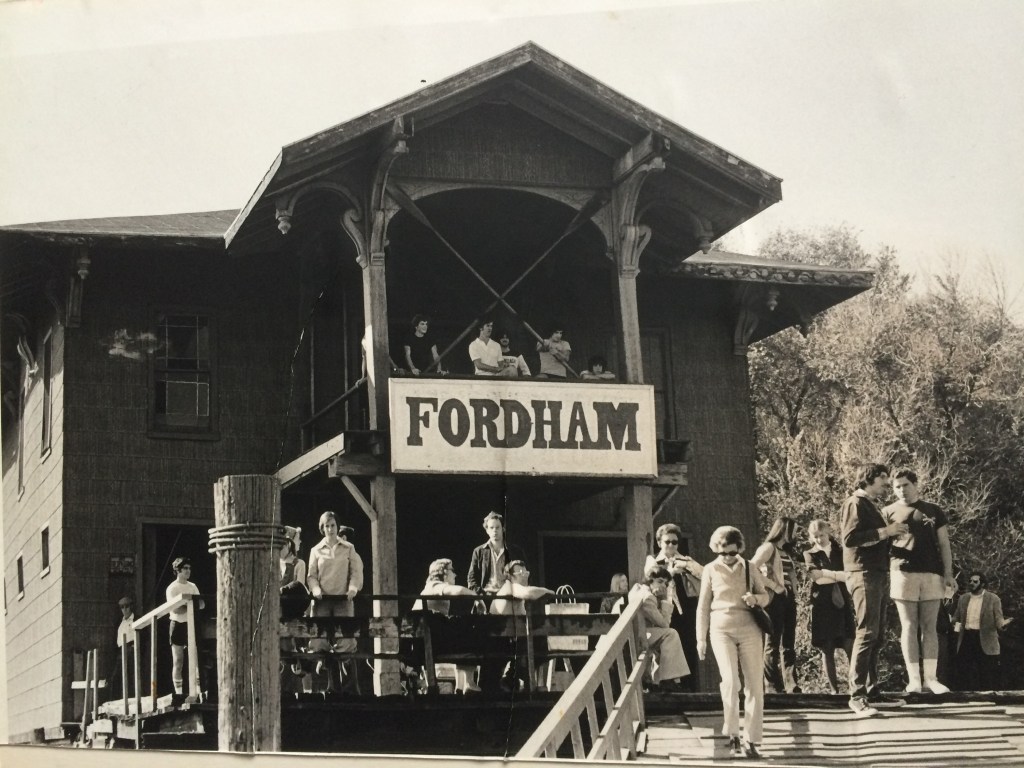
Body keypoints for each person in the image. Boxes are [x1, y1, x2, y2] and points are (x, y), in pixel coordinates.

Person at [696, 525, 771, 759]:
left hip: (749, 629)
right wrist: (700, 638)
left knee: (755, 685)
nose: (727, 557)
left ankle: (752, 739)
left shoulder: (749, 567)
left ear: (739, 548)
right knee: (730, 681)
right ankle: (733, 733)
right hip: (721, 630)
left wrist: (755, 598)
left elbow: (766, 596)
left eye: (731, 552)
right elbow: (703, 606)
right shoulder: (710, 569)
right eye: (722, 553)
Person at [841, 463, 908, 716]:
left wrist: (890, 535)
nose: (887, 484)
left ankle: (871, 691)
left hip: (876, 573)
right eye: (883, 478)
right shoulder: (855, 503)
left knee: (877, 635)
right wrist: (886, 531)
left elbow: (870, 537)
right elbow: (850, 539)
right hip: (863, 573)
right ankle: (857, 695)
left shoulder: (869, 504)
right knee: (867, 632)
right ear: (868, 479)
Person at [883, 469, 956, 694]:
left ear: (915, 484)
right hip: (902, 572)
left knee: (930, 627)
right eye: (897, 486)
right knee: (908, 626)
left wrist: (948, 573)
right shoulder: (887, 511)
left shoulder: (933, 510)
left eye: (905, 485)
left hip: (932, 573)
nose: (901, 490)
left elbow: (944, 544)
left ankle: (931, 679)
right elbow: (880, 545)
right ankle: (914, 680)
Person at [307, 511, 364, 690]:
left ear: (337, 527)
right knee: (319, 641)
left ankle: (347, 682)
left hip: (342, 599)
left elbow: (355, 572)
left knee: (346, 640)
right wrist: (315, 589)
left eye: (333, 525)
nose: (330, 529)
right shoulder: (315, 550)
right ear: (322, 528)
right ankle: (327, 676)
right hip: (322, 601)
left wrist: (353, 588)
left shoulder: (348, 548)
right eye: (327, 526)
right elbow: (311, 576)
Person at [645, 523, 703, 690]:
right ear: (659, 543)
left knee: (689, 644)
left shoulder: (684, 560)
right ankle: (665, 684)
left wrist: (685, 566)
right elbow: (651, 580)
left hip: (685, 607)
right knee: (666, 646)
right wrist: (671, 573)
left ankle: (690, 688)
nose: (671, 545)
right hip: (664, 608)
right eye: (667, 542)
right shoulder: (653, 561)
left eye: (675, 542)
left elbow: (705, 574)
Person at [412, 558, 481, 694]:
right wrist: (476, 597)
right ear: (443, 573)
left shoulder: (428, 588)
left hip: (425, 642)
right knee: (471, 630)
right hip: (429, 643)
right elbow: (458, 590)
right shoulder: (435, 585)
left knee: (461, 627)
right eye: (452, 570)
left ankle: (461, 686)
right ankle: (469, 682)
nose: (455, 574)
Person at [751, 516, 802, 694]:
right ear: (784, 529)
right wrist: (773, 586)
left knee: (789, 641)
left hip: (788, 598)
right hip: (774, 598)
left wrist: (794, 590)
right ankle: (772, 684)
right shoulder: (768, 548)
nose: (795, 534)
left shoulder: (786, 551)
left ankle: (791, 683)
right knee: (773, 641)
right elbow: (752, 567)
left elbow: (790, 573)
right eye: (794, 530)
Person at [803, 519, 854, 694]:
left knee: (849, 644)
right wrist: (837, 575)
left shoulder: (841, 551)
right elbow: (816, 579)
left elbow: (849, 575)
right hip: (822, 604)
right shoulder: (810, 554)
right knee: (827, 647)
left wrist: (825, 573)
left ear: (828, 533)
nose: (819, 539)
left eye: (822, 535)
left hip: (842, 602)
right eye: (815, 536)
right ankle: (834, 691)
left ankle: (856, 688)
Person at [489, 560, 554, 691]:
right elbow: (529, 593)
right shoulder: (511, 587)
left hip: (507, 639)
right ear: (510, 576)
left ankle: (515, 677)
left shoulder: (515, 592)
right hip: (500, 643)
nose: (525, 576)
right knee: (540, 640)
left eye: (526, 572)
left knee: (538, 639)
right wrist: (548, 591)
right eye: (520, 572)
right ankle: (523, 680)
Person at [628, 565, 691, 690]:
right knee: (670, 634)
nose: (663, 586)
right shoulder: (648, 597)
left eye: (666, 584)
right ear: (650, 581)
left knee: (666, 638)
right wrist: (665, 600)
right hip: (639, 636)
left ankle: (659, 681)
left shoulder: (643, 591)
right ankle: (667, 680)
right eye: (660, 581)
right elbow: (664, 624)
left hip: (641, 633)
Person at [953, 572, 1013, 691]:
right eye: (970, 581)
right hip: (967, 637)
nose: (971, 583)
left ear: (983, 584)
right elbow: (956, 617)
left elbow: (999, 619)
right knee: (963, 671)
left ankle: (987, 697)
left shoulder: (993, 599)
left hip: (984, 638)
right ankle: (964, 698)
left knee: (986, 672)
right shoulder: (963, 598)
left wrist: (1003, 624)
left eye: (975, 581)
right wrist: (950, 621)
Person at [166, 557, 204, 696]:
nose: (188, 571)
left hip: (191, 625)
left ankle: (198, 692)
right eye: (185, 568)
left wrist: (187, 606)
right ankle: (179, 694)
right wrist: (190, 606)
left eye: (189, 568)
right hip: (177, 625)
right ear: (178, 570)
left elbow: (201, 604)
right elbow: (176, 609)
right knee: (178, 660)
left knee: (195, 660)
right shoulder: (172, 588)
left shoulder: (193, 586)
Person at [467, 512, 525, 595]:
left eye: (497, 527)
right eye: (491, 528)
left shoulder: (515, 551)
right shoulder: (478, 551)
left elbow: (525, 575)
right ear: (487, 530)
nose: (494, 530)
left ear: (503, 529)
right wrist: (479, 596)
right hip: (485, 596)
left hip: (508, 595)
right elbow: (471, 578)